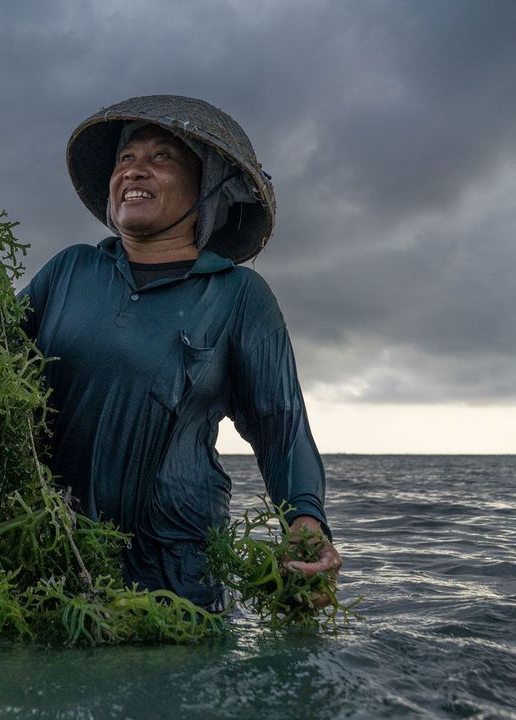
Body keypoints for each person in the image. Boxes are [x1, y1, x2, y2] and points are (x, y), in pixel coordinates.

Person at [18, 95, 340, 610]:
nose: (135, 169)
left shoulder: (238, 296)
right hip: (49, 555)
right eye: (126, 158)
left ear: (207, 188)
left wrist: (305, 521)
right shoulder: (68, 272)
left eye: (162, 157)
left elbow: (280, 426)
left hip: (177, 574)